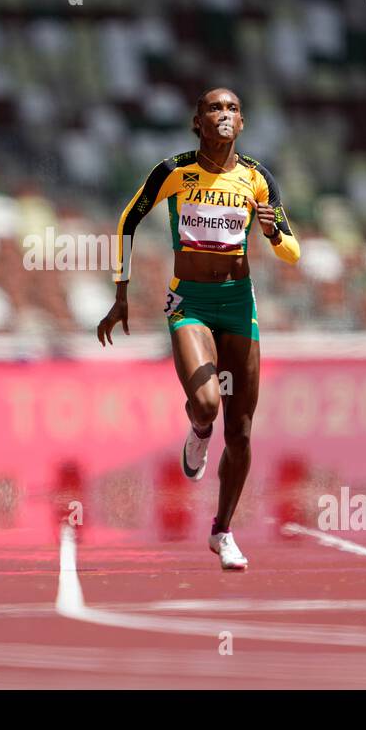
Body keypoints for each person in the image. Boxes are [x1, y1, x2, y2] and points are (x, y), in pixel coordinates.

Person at [97, 87, 301, 570]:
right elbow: (129, 219)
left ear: (242, 122)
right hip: (189, 300)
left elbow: (292, 251)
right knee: (208, 401)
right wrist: (121, 292)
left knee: (244, 431)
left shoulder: (257, 178)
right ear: (198, 121)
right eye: (214, 108)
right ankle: (198, 426)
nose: (224, 115)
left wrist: (273, 232)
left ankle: (222, 531)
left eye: (232, 108)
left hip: (238, 303)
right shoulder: (174, 172)